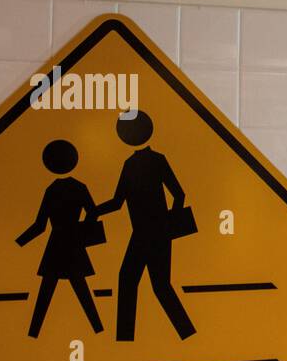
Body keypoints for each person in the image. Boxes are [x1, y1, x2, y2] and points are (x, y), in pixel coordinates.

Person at [96, 111, 196, 342]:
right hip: (143, 234)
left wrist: (169, 225)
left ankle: (186, 333)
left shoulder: (148, 161)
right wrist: (94, 211)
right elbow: (119, 202)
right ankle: (126, 338)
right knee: (134, 281)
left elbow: (178, 194)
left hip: (154, 233)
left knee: (155, 285)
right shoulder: (133, 164)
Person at [16, 139, 104, 338]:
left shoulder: (52, 190)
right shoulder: (79, 187)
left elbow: (40, 225)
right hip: (74, 244)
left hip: (56, 245)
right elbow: (93, 212)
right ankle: (98, 328)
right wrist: (82, 232)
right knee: (81, 289)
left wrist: (20, 242)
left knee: (47, 292)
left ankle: (33, 332)